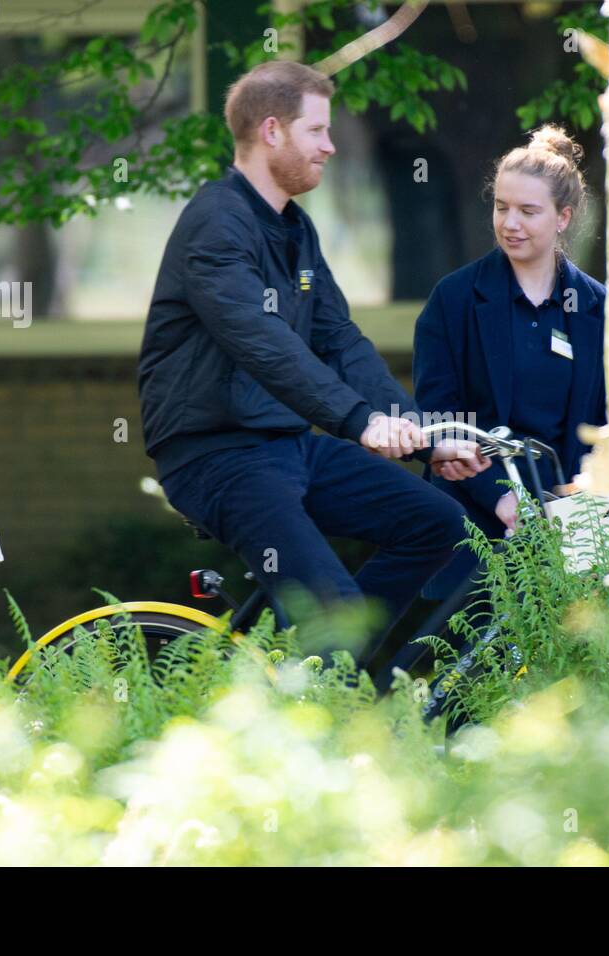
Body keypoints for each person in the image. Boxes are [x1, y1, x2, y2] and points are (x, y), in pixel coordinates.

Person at [138, 61, 490, 657]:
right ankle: (333, 673)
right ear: (272, 131)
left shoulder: (295, 229)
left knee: (439, 525)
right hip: (217, 456)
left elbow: (340, 340)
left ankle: (328, 672)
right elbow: (260, 340)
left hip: (289, 444)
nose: (330, 146)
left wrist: (425, 439)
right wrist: (359, 421)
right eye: (317, 131)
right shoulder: (216, 225)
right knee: (335, 616)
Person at [412, 125, 606, 598]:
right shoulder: (453, 299)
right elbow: (439, 415)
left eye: (527, 211)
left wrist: (577, 511)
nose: (510, 223)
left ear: (563, 217)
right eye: (501, 207)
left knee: (571, 659)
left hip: (571, 518)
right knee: (464, 665)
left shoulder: (600, 308)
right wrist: (501, 496)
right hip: (472, 510)